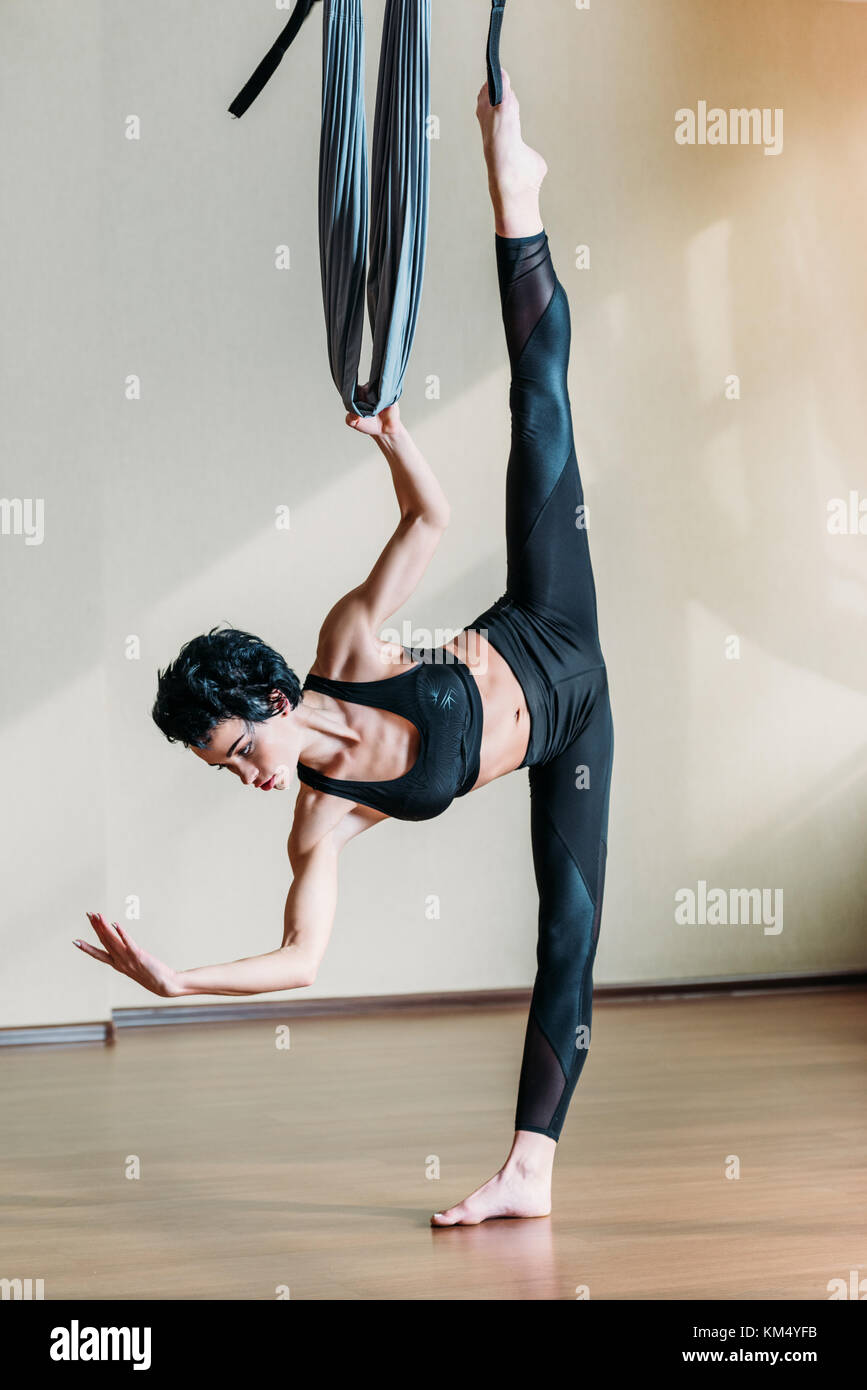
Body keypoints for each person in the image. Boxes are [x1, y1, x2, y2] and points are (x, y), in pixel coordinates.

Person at [76, 70, 614, 1226]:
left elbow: (431, 520)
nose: (249, 776)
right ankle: (531, 1169)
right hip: (573, 731)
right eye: (227, 771)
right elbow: (300, 961)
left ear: (273, 692)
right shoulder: (318, 815)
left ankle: (511, 184)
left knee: (540, 407)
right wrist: (177, 980)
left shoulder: (350, 643)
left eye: (239, 747)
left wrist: (392, 435)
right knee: (568, 935)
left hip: (548, 625)